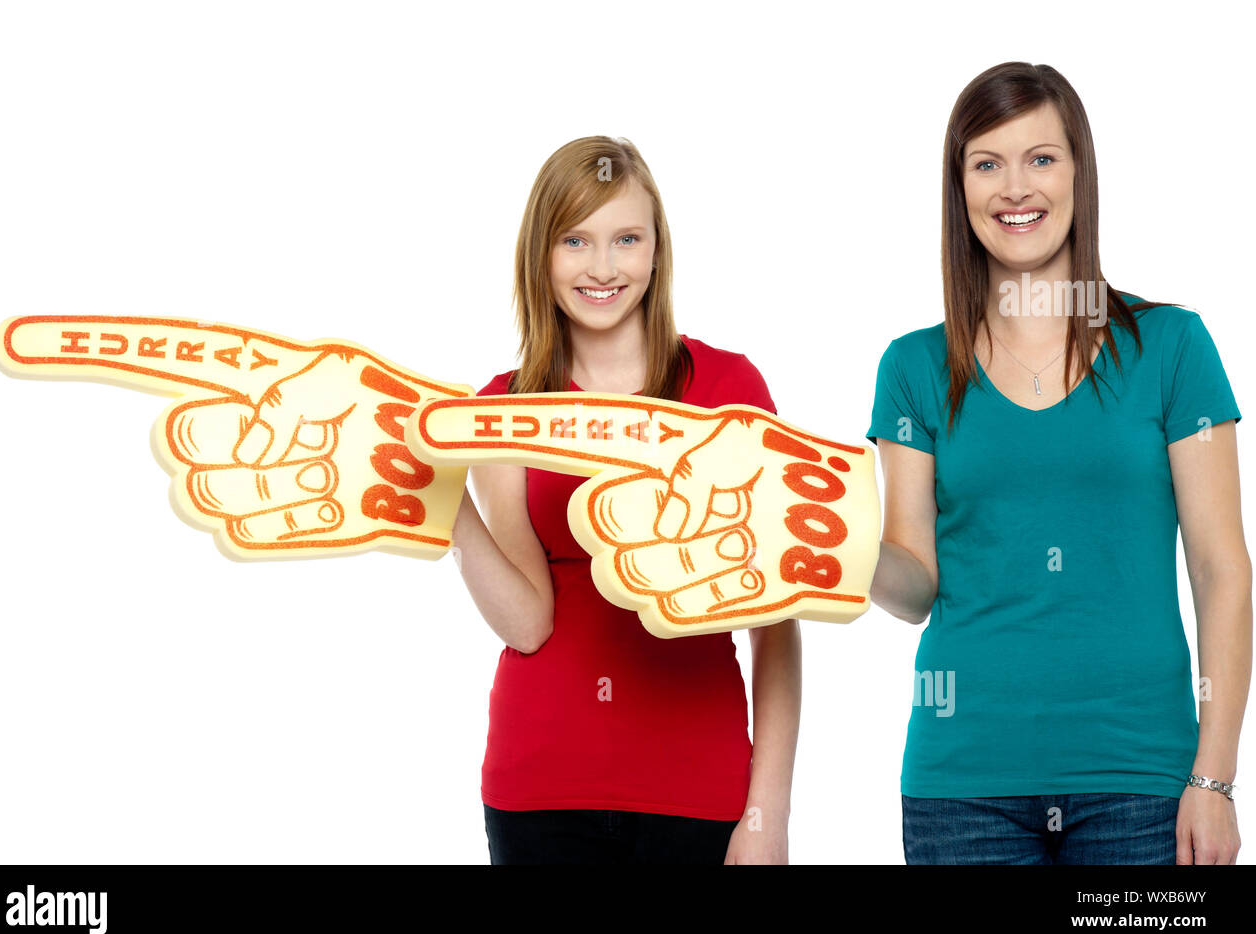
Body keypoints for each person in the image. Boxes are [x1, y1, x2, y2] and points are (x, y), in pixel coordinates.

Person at [867, 62, 1250, 864]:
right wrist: (834, 544)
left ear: (1080, 172)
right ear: (959, 186)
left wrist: (1213, 779)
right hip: (962, 786)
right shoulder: (912, 367)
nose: (1016, 187)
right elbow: (912, 587)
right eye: (987, 162)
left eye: (1042, 158)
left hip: (1143, 783)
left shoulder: (1172, 347)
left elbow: (1222, 570)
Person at [448, 136, 802, 864]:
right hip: (540, 790)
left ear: (655, 249)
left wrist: (767, 813)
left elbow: (775, 626)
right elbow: (528, 620)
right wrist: (444, 505)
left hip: (700, 789)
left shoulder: (731, 392)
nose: (603, 268)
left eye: (626, 239)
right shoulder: (502, 410)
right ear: (540, 255)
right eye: (575, 240)